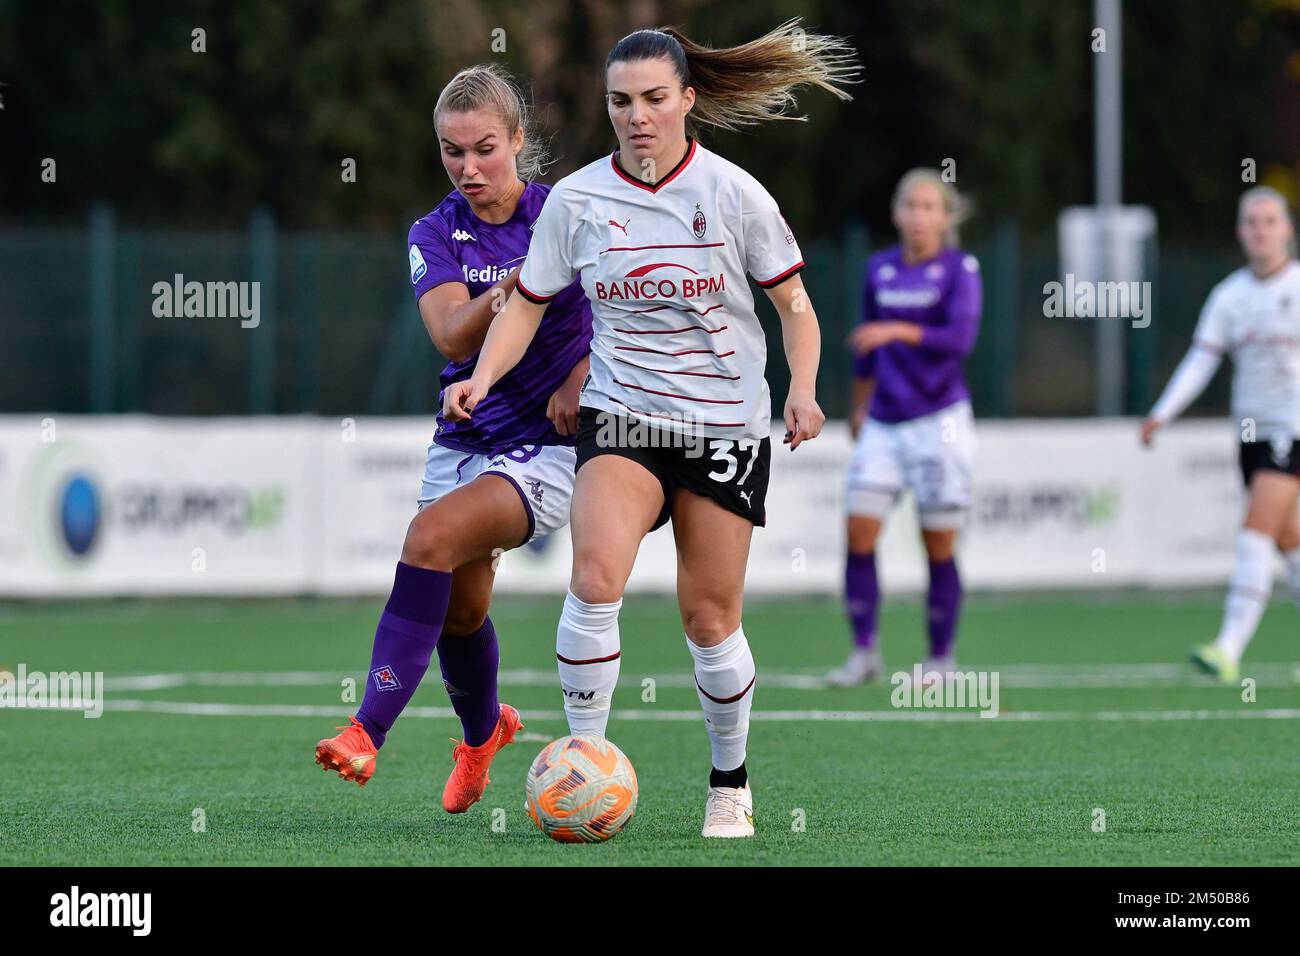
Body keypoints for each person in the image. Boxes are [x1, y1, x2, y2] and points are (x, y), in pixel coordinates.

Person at [443, 21, 857, 837]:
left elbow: (796, 311)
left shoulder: (736, 195)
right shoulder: (578, 200)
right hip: (621, 418)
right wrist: (481, 378)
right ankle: (584, 766)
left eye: (654, 100)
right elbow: (525, 305)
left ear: (687, 101)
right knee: (595, 576)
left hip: (722, 429)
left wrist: (803, 390)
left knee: (708, 618)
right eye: (621, 101)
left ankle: (729, 783)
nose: (637, 116)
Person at [313, 64, 593, 813]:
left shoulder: (563, 214)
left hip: (549, 445)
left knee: (430, 537)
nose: (468, 168)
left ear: (519, 141)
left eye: (484, 148)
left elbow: (623, 310)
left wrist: (581, 375)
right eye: (451, 151)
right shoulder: (435, 231)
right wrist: (506, 292)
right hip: (466, 436)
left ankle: (366, 731)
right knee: (461, 613)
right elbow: (446, 333)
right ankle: (482, 735)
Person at [828, 169, 982, 688]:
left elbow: (959, 339)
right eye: (910, 206)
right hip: (885, 423)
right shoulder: (880, 268)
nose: (918, 216)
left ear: (946, 217)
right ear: (896, 214)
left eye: (928, 207)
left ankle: (940, 659)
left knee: (937, 542)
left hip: (939, 421)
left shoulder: (961, 268)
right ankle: (864, 652)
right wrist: (859, 406)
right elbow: (866, 351)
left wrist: (896, 329)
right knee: (859, 530)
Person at [1142, 185, 1300, 683]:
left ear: (1288, 230)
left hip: (1292, 429)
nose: (1261, 230)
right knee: (1291, 543)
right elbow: (1202, 359)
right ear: (1240, 233)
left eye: (1270, 221)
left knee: (1255, 532)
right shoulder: (1229, 296)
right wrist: (1163, 413)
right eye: (1252, 222)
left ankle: (1227, 649)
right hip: (1250, 434)